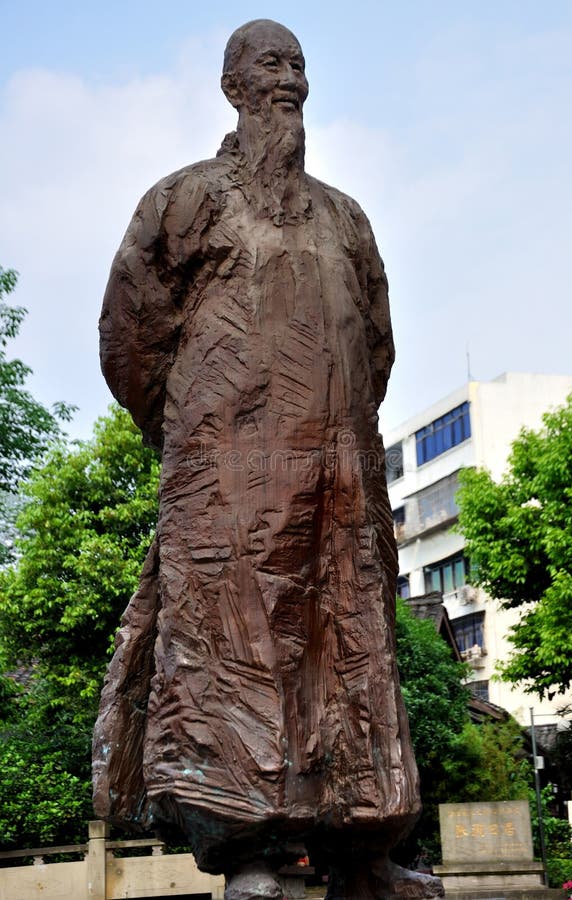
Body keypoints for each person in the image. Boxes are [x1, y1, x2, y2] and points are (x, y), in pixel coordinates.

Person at [93, 19, 442, 900]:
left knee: (354, 644)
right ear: (231, 84)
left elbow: (378, 342)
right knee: (235, 644)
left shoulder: (345, 218)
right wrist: (200, 432)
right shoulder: (186, 199)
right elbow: (131, 340)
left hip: (337, 473)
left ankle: (363, 851)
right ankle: (248, 847)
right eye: (269, 64)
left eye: (297, 65)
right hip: (227, 477)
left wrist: (339, 426)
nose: (287, 79)